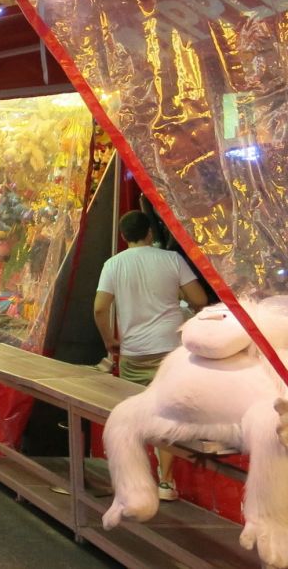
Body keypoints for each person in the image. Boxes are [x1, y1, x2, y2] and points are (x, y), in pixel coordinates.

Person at [94, 210, 209, 501]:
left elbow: (99, 308)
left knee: (136, 416)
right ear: (150, 232)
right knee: (166, 414)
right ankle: (166, 483)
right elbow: (199, 299)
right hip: (170, 351)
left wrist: (110, 340)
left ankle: (133, 480)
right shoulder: (171, 260)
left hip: (133, 353)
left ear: (124, 236)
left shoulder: (113, 264)